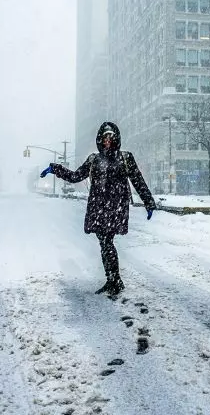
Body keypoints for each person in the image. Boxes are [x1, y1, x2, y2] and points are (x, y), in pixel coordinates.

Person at [41, 122, 155, 296]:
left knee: (107, 242)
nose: (107, 141)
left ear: (116, 138)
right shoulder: (94, 159)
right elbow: (75, 176)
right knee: (103, 243)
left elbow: (137, 180)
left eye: (111, 138)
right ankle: (112, 279)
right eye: (104, 138)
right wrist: (55, 169)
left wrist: (148, 201)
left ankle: (115, 281)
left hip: (115, 208)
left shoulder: (126, 157)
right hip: (98, 208)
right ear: (100, 140)